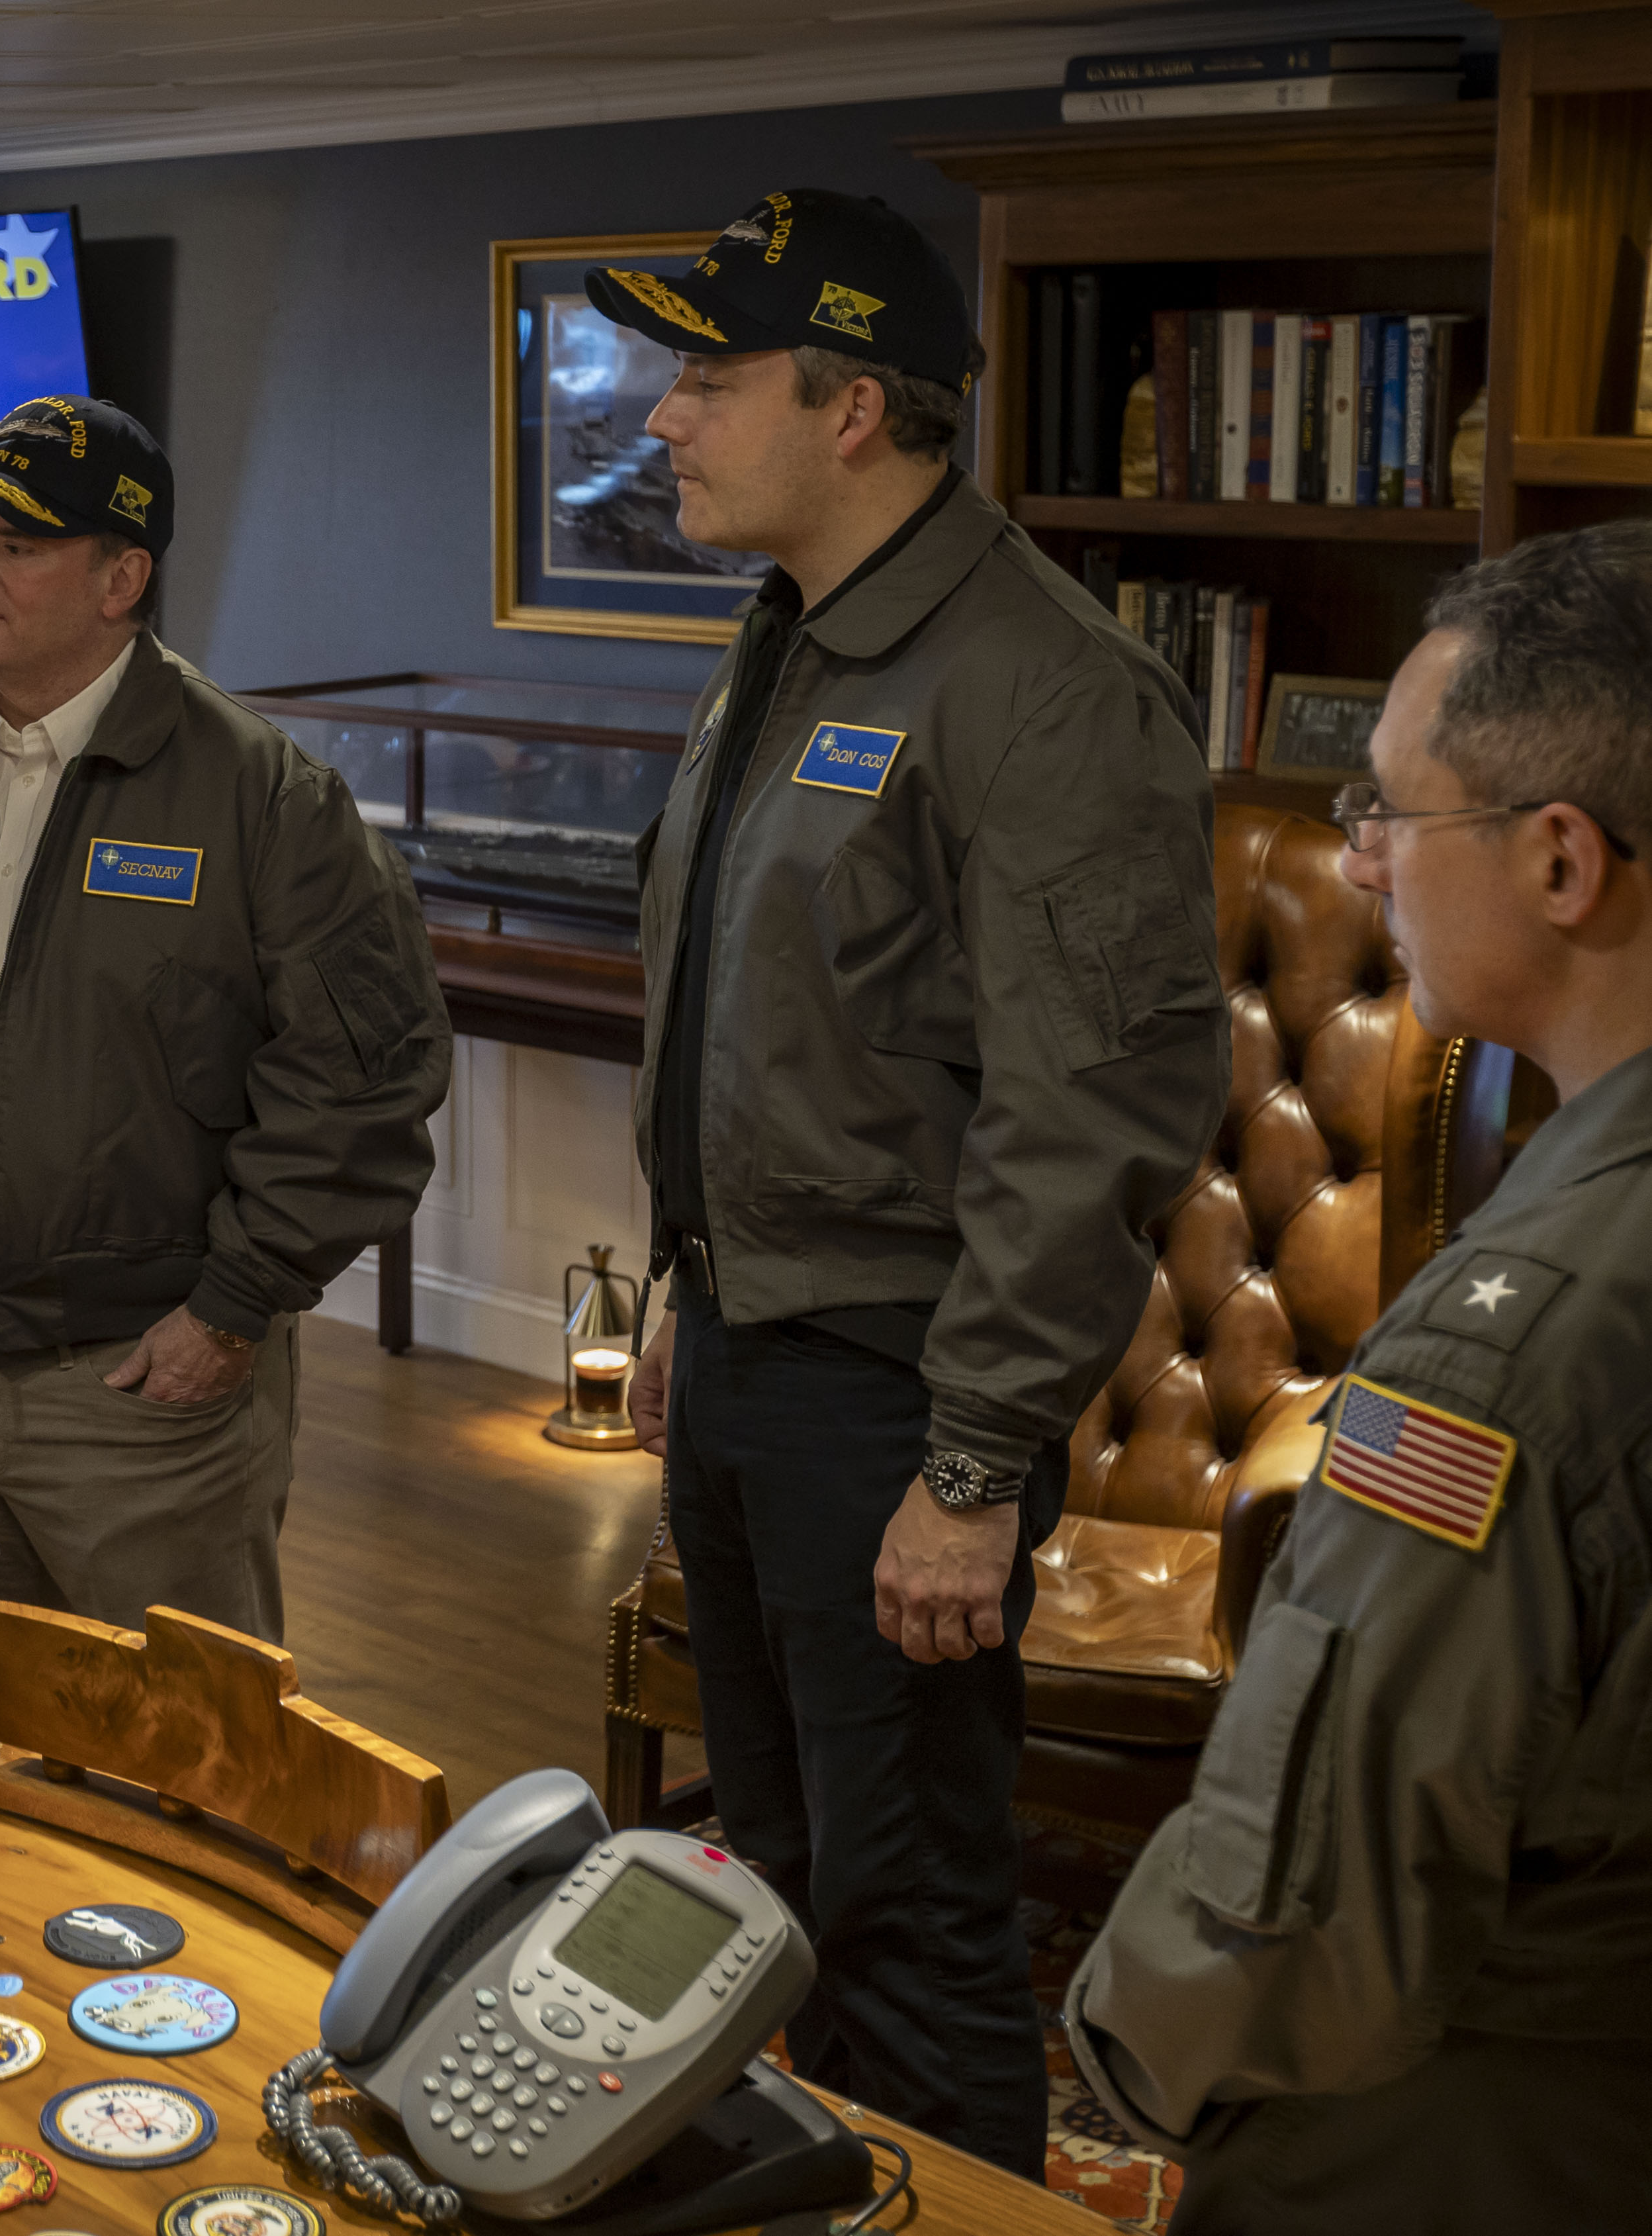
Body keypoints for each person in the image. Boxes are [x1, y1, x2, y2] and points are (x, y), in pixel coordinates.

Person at [602, 189, 1225, 2172]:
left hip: (893, 1392)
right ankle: (806, 2192)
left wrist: (971, 1467)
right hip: (752, 1348)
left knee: (910, 1902)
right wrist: (681, 1296)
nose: (666, 416)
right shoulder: (781, 640)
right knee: (765, 1875)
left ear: (855, 404)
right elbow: (758, 1017)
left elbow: (1091, 1109)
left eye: (707, 375)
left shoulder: (1038, 683)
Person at [1070, 524, 1652, 2231]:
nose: (1359, 862)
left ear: (1558, 860)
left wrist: (1124, 2046)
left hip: (1473, 2133)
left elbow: (1311, 1895)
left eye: (1391, 810)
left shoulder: (1508, 1338)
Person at [0, 395, 450, 1710]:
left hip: (141, 1395)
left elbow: (360, 1086)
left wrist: (231, 1311)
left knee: (182, 1760)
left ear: (122, 578)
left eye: (15, 545)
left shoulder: (265, 801)